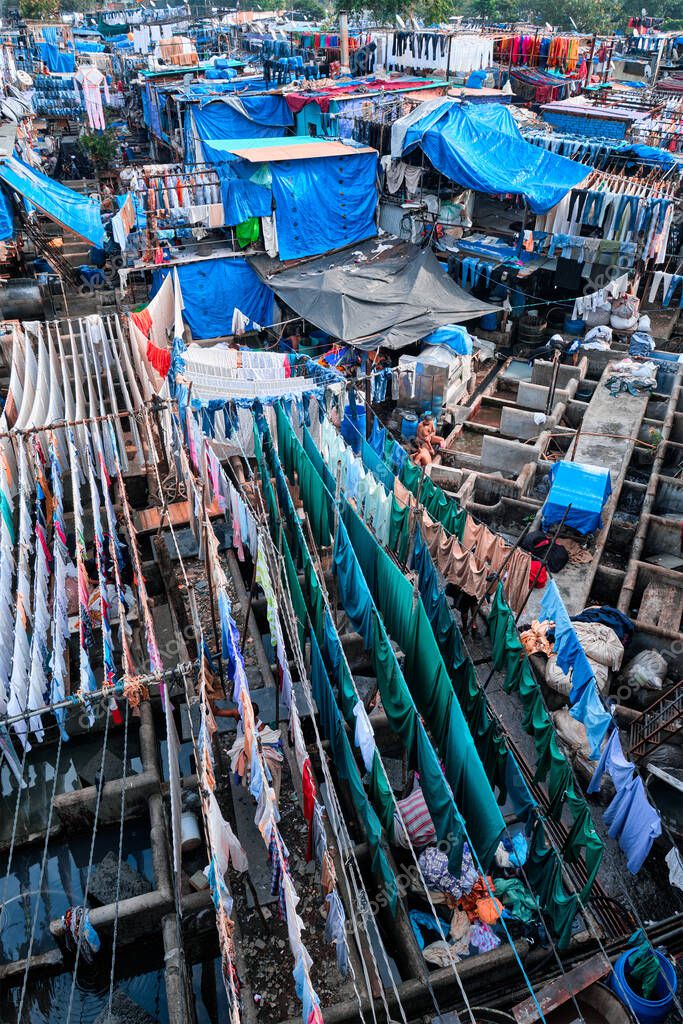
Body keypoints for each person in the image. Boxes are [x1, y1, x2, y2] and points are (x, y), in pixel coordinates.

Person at [220, 700, 284, 800]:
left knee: (259, 762)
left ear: (254, 716)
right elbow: (218, 712)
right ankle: (252, 785)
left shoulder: (260, 726)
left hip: (253, 747)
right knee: (242, 763)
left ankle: (263, 787)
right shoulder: (238, 715)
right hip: (242, 745)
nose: (248, 718)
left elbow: (265, 738)